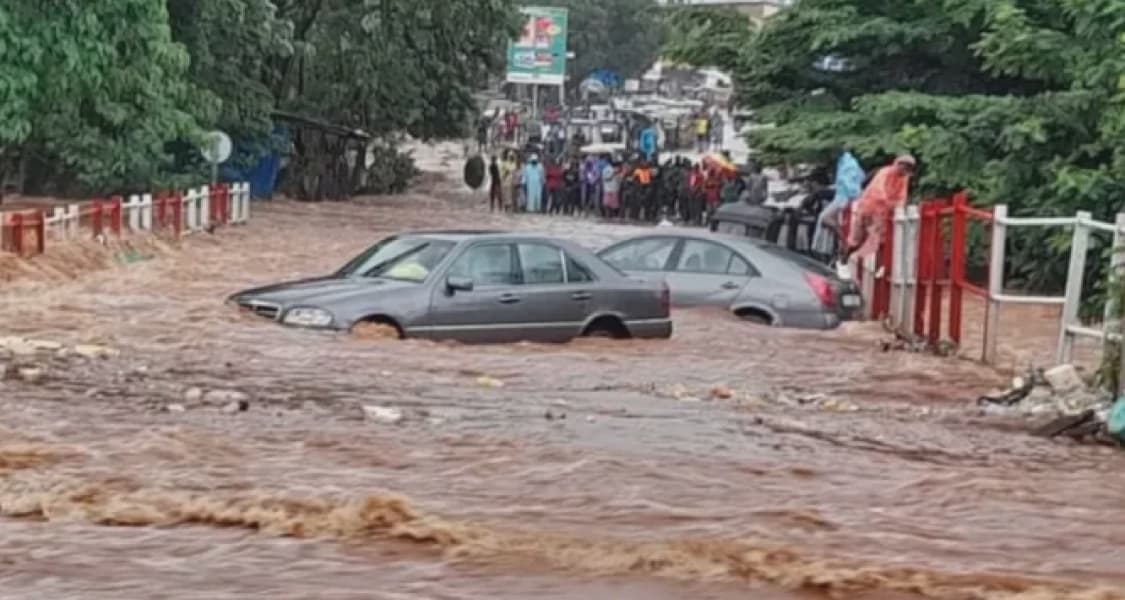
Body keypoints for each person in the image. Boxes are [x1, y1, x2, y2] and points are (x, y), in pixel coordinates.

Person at [838, 154, 916, 279]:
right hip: (868, 208)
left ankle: (879, 268)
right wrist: (889, 201)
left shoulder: (904, 178)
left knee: (881, 241)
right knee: (857, 240)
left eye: (908, 168)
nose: (905, 170)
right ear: (898, 164)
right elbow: (878, 189)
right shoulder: (884, 172)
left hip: (882, 213)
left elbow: (902, 195)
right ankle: (843, 260)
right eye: (904, 166)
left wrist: (899, 206)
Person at [814, 149, 866, 258]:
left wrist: (853, 195)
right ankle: (837, 243)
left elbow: (850, 182)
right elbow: (861, 176)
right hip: (841, 195)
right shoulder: (843, 162)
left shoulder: (849, 164)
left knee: (824, 218)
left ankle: (843, 240)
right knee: (831, 220)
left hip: (844, 197)